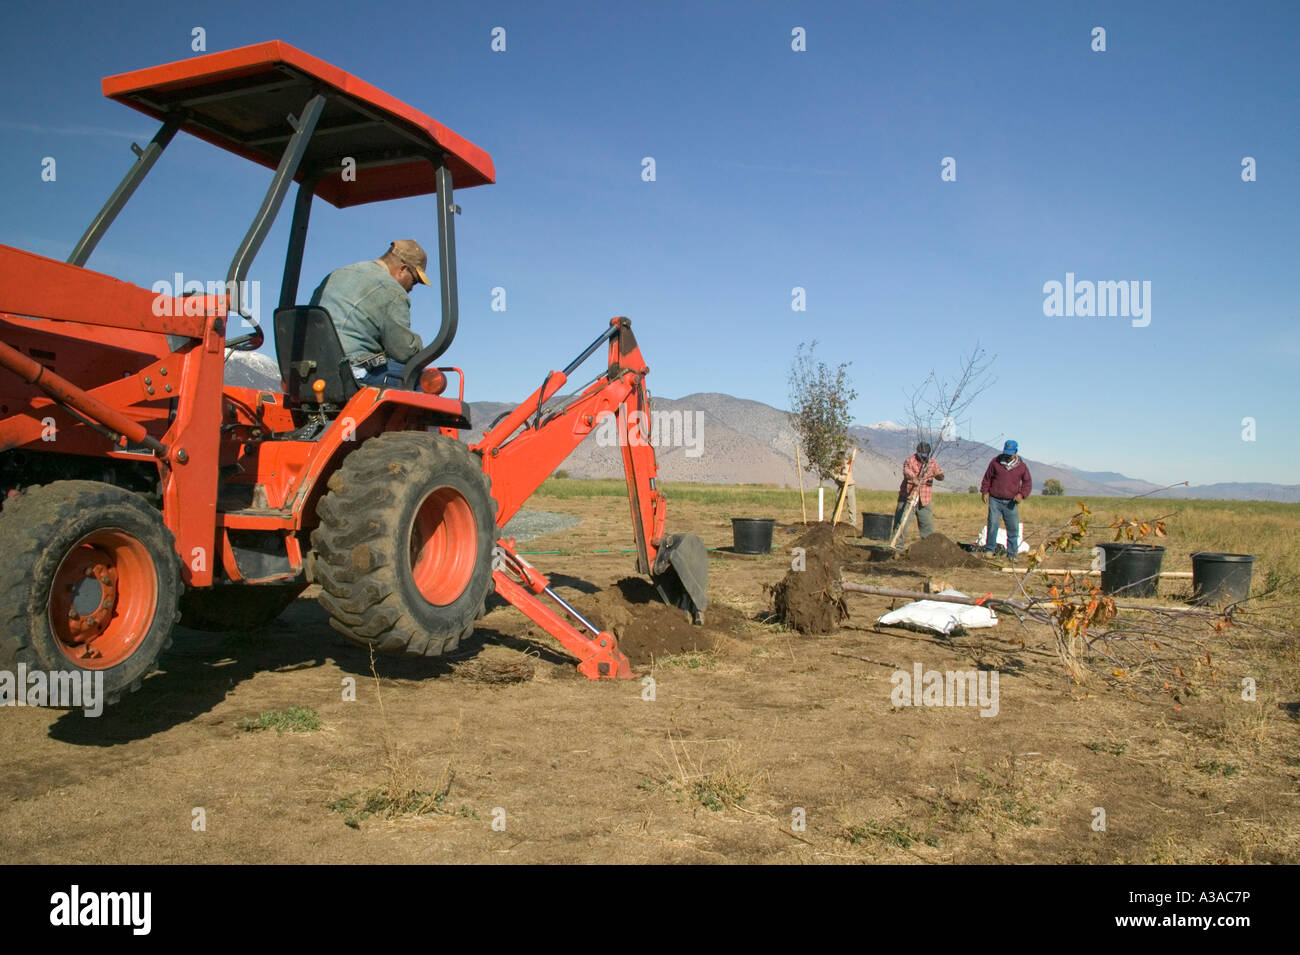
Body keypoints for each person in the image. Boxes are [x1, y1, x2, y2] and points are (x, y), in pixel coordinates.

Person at [309, 239, 431, 387]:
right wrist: (417, 344)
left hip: (311, 368)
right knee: (425, 380)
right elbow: (403, 351)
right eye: (414, 281)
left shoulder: (338, 274)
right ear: (403, 269)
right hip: (351, 371)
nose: (412, 288)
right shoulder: (392, 290)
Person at [980, 440, 1032, 560]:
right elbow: (987, 478)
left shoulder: (1021, 467)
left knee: (1013, 528)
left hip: (1011, 502)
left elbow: (1027, 483)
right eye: (1006, 453)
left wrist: (1021, 495)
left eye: (1010, 453)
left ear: (1016, 452)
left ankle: (1012, 555)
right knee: (992, 525)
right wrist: (984, 491)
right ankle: (989, 550)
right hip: (995, 500)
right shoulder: (995, 462)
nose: (1008, 456)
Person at [893, 441, 944, 539]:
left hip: (924, 500)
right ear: (917, 452)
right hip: (908, 498)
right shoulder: (910, 461)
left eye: (925, 454)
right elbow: (907, 472)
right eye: (921, 453)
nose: (923, 456)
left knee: (927, 529)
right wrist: (914, 479)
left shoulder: (932, 463)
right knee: (900, 525)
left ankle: (927, 549)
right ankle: (896, 547)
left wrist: (938, 475)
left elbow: (941, 476)